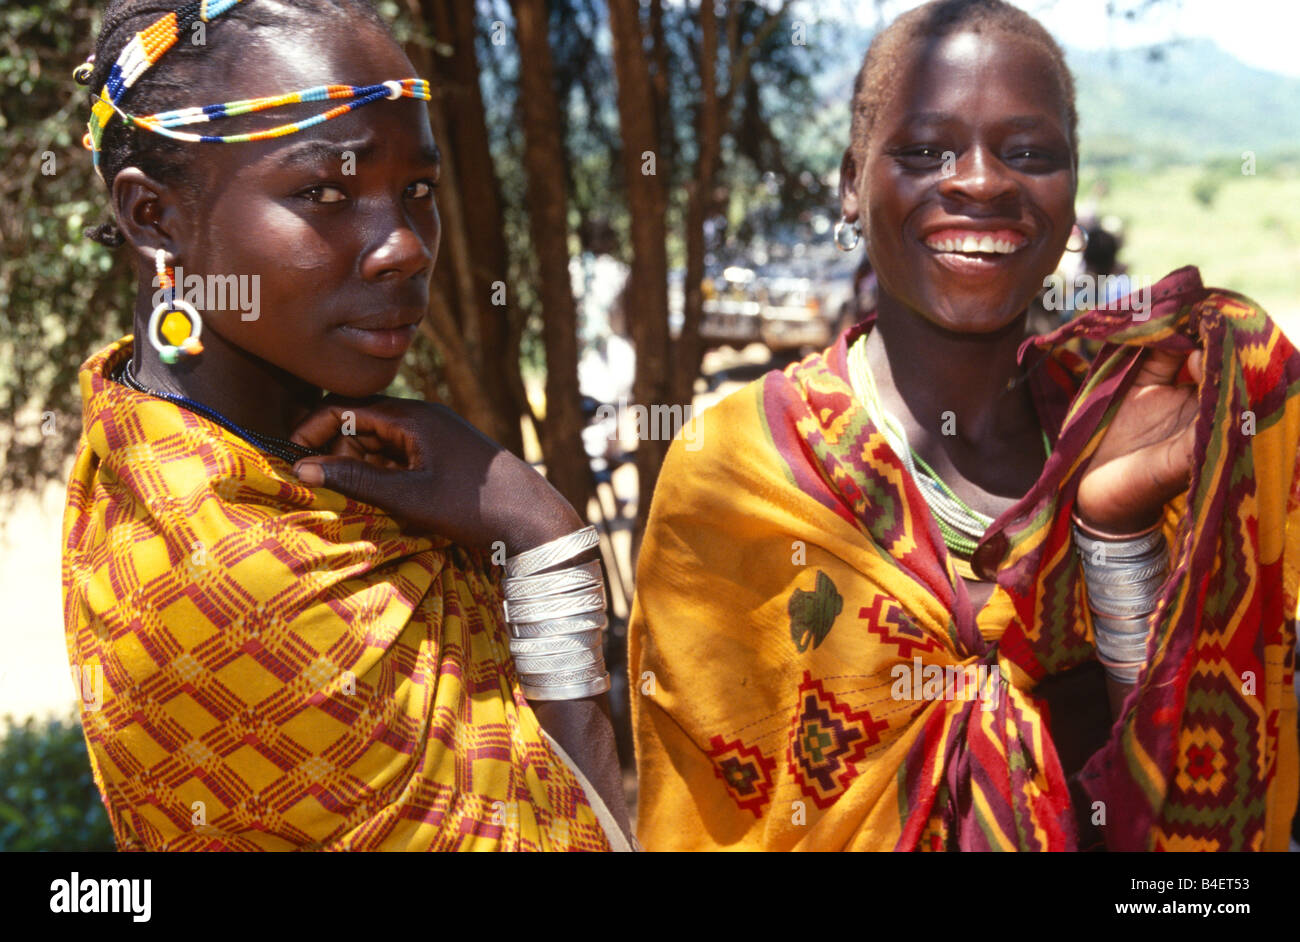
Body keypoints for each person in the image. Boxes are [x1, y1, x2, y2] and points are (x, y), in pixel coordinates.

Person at [629, 0, 1300, 850]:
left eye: (1029, 153)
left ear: (1070, 189)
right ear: (849, 182)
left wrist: (1113, 531)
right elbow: (710, 820)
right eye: (921, 150)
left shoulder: (1145, 425)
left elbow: (1176, 806)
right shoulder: (742, 471)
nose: (982, 181)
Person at [63, 0, 631, 851]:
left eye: (418, 191)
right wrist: (538, 531)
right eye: (325, 191)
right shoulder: (229, 576)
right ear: (153, 218)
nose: (404, 246)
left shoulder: (173, 443)